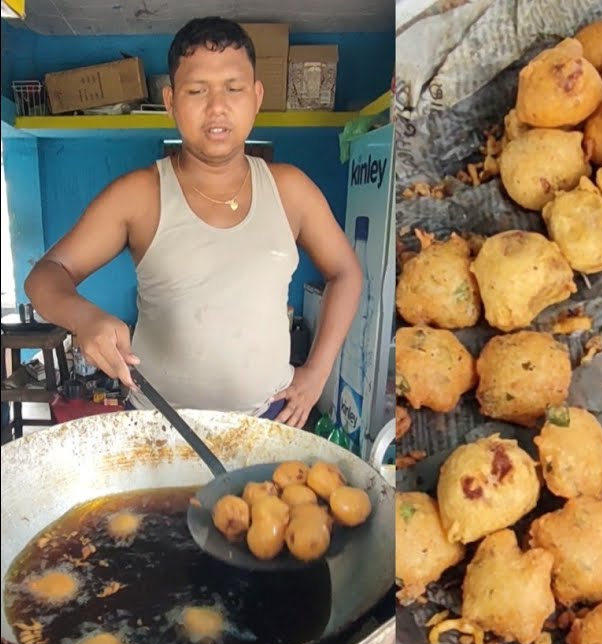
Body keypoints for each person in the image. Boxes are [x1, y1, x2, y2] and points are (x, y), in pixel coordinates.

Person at [25, 17, 361, 428]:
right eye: (197, 90)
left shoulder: (291, 189)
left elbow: (346, 273)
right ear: (170, 102)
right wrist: (85, 318)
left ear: (256, 97)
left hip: (269, 420)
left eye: (233, 89)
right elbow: (45, 275)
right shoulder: (139, 194)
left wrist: (317, 373)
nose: (217, 106)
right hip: (157, 426)